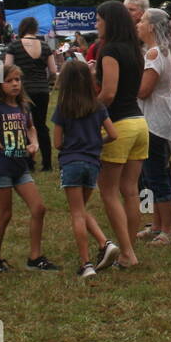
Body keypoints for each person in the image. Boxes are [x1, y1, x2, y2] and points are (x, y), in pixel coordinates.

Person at [0, 65, 59, 274]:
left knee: (39, 209)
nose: (15, 84)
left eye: (17, 79)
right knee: (5, 214)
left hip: (20, 167)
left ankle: (35, 257)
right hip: (1, 168)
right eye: (9, 81)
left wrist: (34, 143)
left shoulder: (23, 107)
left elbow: (31, 127)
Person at [53, 59, 121, 277]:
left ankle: (86, 263)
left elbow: (57, 143)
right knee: (81, 208)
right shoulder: (98, 107)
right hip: (92, 164)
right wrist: (96, 142)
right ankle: (104, 243)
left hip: (71, 162)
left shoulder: (63, 108)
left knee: (77, 213)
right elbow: (113, 134)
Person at [95, 0, 148, 269]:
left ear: (109, 21)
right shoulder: (135, 50)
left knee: (108, 191)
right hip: (139, 123)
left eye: (99, 19)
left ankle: (126, 252)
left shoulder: (110, 50)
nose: (96, 24)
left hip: (119, 125)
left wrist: (85, 113)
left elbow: (108, 93)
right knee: (130, 190)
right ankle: (130, 249)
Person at [136, 9, 171, 244]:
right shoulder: (165, 51)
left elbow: (144, 91)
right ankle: (156, 225)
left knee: (156, 175)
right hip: (162, 116)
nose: (138, 25)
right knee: (153, 173)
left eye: (142, 21)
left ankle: (166, 229)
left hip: (154, 119)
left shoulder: (154, 54)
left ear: (152, 26)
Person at [4, 17, 58, 172]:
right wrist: (46, 82)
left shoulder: (14, 46)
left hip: (23, 90)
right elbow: (53, 71)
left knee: (23, 124)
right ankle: (47, 163)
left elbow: (7, 69)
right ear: (35, 29)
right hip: (42, 90)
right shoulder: (45, 46)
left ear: (22, 28)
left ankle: (28, 162)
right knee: (41, 125)